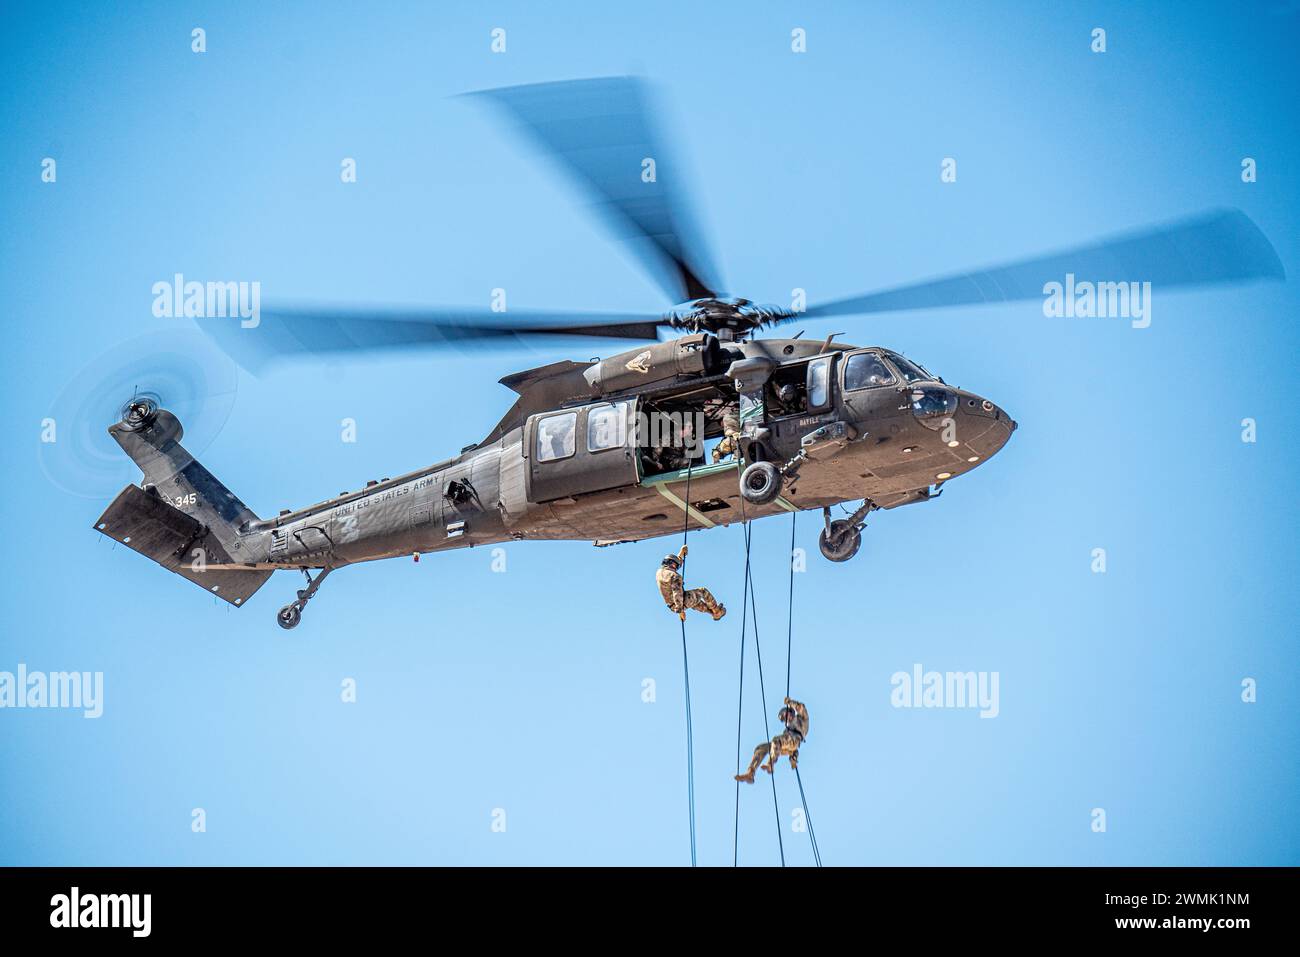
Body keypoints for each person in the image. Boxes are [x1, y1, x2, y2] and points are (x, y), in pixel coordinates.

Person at [735, 697, 809, 783]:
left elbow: (801, 707)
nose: (785, 719)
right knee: (761, 748)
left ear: (790, 712)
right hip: (785, 746)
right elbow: (794, 750)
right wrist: (793, 758)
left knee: (776, 740)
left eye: (785, 715)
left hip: (795, 739)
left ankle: (770, 764)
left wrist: (790, 702)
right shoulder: (787, 731)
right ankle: (750, 773)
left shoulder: (802, 718)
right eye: (783, 719)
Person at [656, 545, 725, 621]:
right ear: (672, 564)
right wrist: (680, 611)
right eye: (676, 566)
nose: (676, 568)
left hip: (672, 605)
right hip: (679, 603)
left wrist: (681, 553)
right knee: (702, 591)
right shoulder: (675, 576)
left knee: (696, 601)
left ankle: (713, 614)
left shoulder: (660, 572)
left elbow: (674, 562)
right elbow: (677, 594)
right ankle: (716, 611)